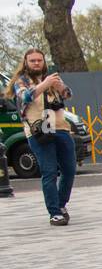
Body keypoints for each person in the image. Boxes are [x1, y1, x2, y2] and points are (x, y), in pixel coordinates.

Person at [5, 48, 76, 224]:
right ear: (26, 62)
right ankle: (54, 212)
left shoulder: (52, 77)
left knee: (69, 169)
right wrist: (44, 85)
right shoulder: (21, 81)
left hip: (60, 126)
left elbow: (68, 95)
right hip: (39, 129)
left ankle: (60, 203)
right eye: (33, 61)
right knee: (49, 171)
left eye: (39, 60)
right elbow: (26, 97)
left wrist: (60, 86)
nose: (37, 63)